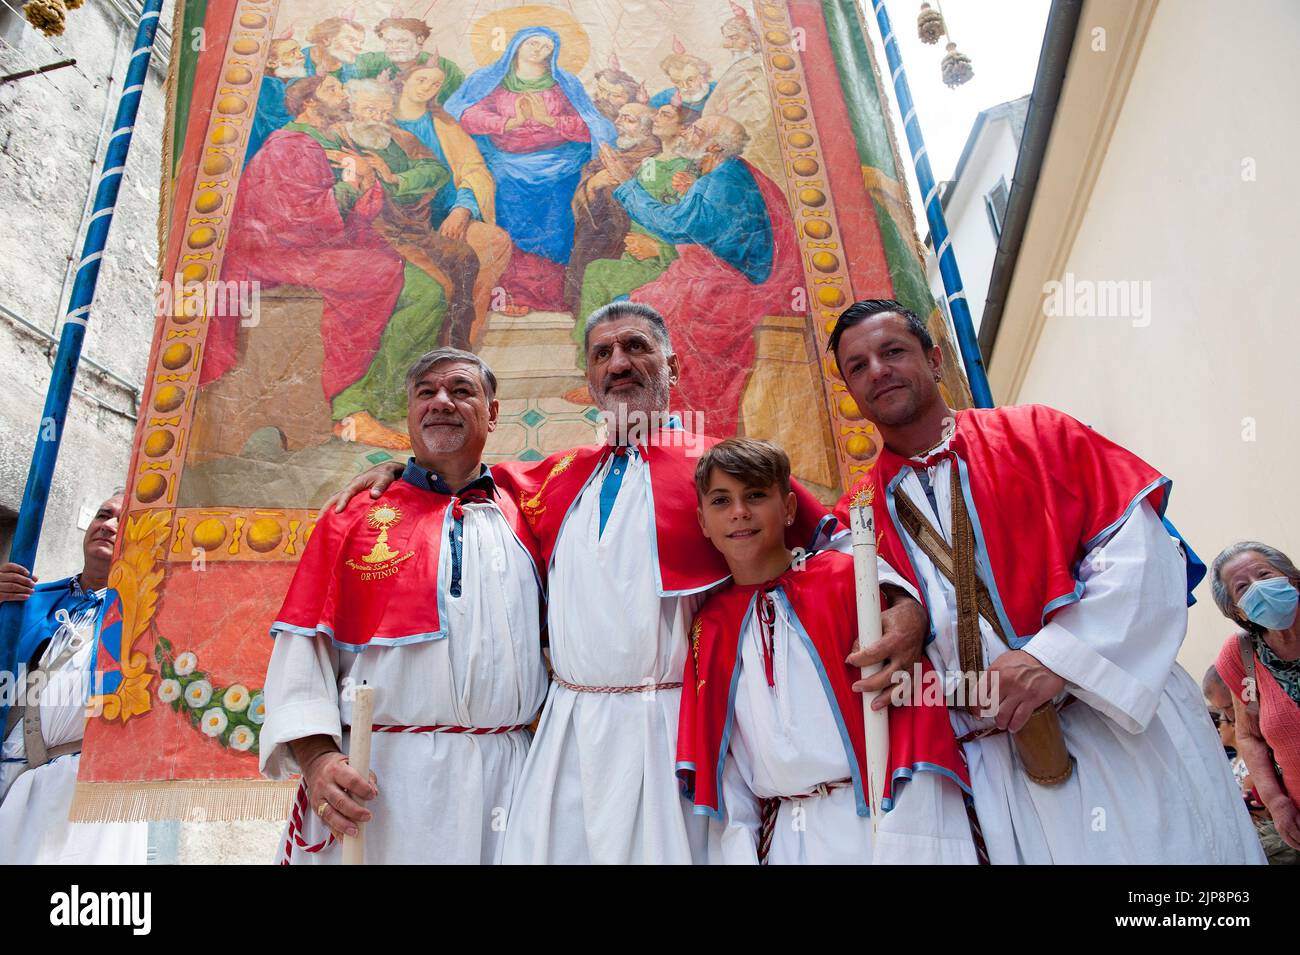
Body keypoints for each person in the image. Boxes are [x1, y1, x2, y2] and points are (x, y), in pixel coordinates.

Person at [323, 301, 933, 864]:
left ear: (671, 363)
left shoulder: (726, 473)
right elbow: (458, 478)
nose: (619, 364)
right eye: (602, 354)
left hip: (676, 723)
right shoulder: (549, 477)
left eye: (636, 347)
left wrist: (903, 606)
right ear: (588, 380)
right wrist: (403, 471)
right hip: (569, 732)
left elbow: (832, 545)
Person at [827, 298, 1264, 864]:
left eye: (893, 351)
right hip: (996, 770)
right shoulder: (854, 519)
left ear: (935, 361)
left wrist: (1055, 661)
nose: (877, 371)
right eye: (857, 366)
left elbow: (1142, 557)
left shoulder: (1038, 434)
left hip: (1118, 733)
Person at [260, 348, 548, 864]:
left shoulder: (530, 512)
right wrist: (320, 760)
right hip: (379, 781)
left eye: (462, 391)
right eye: (426, 393)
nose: (442, 402)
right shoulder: (352, 518)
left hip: (506, 782)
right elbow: (301, 658)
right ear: (409, 414)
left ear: (494, 413)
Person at [679, 437, 977, 864]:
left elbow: (913, 716)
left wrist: (908, 839)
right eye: (721, 501)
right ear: (703, 521)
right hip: (784, 836)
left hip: (874, 820)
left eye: (756, 495)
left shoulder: (847, 580)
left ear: (788, 508)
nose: (739, 512)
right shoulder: (709, 627)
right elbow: (725, 766)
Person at [205, 74, 444, 453]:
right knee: (379, 274)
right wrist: (350, 186)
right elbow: (295, 220)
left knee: (428, 292)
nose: (344, 94)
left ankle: (381, 399)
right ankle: (350, 410)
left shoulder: (334, 142)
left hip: (326, 244)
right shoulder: (288, 145)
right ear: (309, 102)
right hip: (282, 254)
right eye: (333, 89)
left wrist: (367, 183)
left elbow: (355, 210)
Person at [613, 115, 804, 434]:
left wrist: (627, 186)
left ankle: (661, 412)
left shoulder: (725, 180)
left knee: (645, 317)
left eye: (696, 131)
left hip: (729, 288)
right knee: (630, 310)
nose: (687, 131)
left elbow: (675, 225)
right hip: (712, 274)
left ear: (713, 146)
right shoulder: (728, 172)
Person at [0, 493, 148, 864]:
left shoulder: (149, 619)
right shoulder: (27, 598)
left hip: (69, 799)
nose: (109, 526)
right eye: (103, 514)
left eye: (125, 520)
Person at [446, 27, 616, 314]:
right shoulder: (492, 81)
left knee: (561, 211)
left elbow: (591, 125)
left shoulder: (565, 84)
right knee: (502, 196)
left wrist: (549, 120)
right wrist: (506, 124)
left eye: (546, 45)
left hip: (562, 163)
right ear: (517, 45)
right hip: (504, 161)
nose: (538, 50)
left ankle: (553, 296)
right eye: (532, 43)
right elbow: (465, 114)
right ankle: (512, 294)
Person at [391, 64, 512, 344]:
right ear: (403, 80)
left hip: (445, 219)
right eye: (421, 79)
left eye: (435, 84)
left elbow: (474, 170)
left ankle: (460, 342)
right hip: (400, 223)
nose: (427, 88)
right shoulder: (380, 119)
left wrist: (462, 209)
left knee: (493, 241)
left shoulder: (444, 125)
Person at [1211, 541, 1300, 856]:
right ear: (1237, 609)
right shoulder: (1242, 655)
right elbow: (1248, 735)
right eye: (1242, 587)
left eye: (1264, 574)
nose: (1259, 589)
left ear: (1291, 578)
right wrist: (1276, 802)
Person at [564, 102, 661, 317]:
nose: (618, 123)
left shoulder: (656, 159)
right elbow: (582, 199)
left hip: (634, 232)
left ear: (647, 128)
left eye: (629, 120)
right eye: (619, 117)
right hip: (600, 233)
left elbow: (650, 202)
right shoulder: (612, 156)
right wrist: (593, 184)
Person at [702, 4, 781, 184]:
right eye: (727, 39)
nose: (727, 45)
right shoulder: (742, 66)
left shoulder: (758, 68)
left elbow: (758, 111)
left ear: (752, 38)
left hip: (746, 146)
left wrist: (724, 121)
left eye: (734, 38)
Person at [354, 15, 464, 102]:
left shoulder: (448, 69)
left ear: (420, 39)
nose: (394, 47)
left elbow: (456, 104)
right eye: (388, 41)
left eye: (402, 41)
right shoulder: (368, 62)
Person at [245, 36, 307, 166]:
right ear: (271, 63)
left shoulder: (278, 85)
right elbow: (284, 122)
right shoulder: (270, 86)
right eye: (292, 52)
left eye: (299, 50)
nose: (301, 55)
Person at [650, 50, 715, 124]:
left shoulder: (717, 89)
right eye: (677, 81)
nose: (685, 86)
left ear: (702, 77)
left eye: (690, 80)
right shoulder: (664, 97)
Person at [302, 16, 366, 82]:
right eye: (351, 39)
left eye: (361, 42)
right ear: (326, 39)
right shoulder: (298, 58)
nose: (359, 47)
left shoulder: (350, 69)